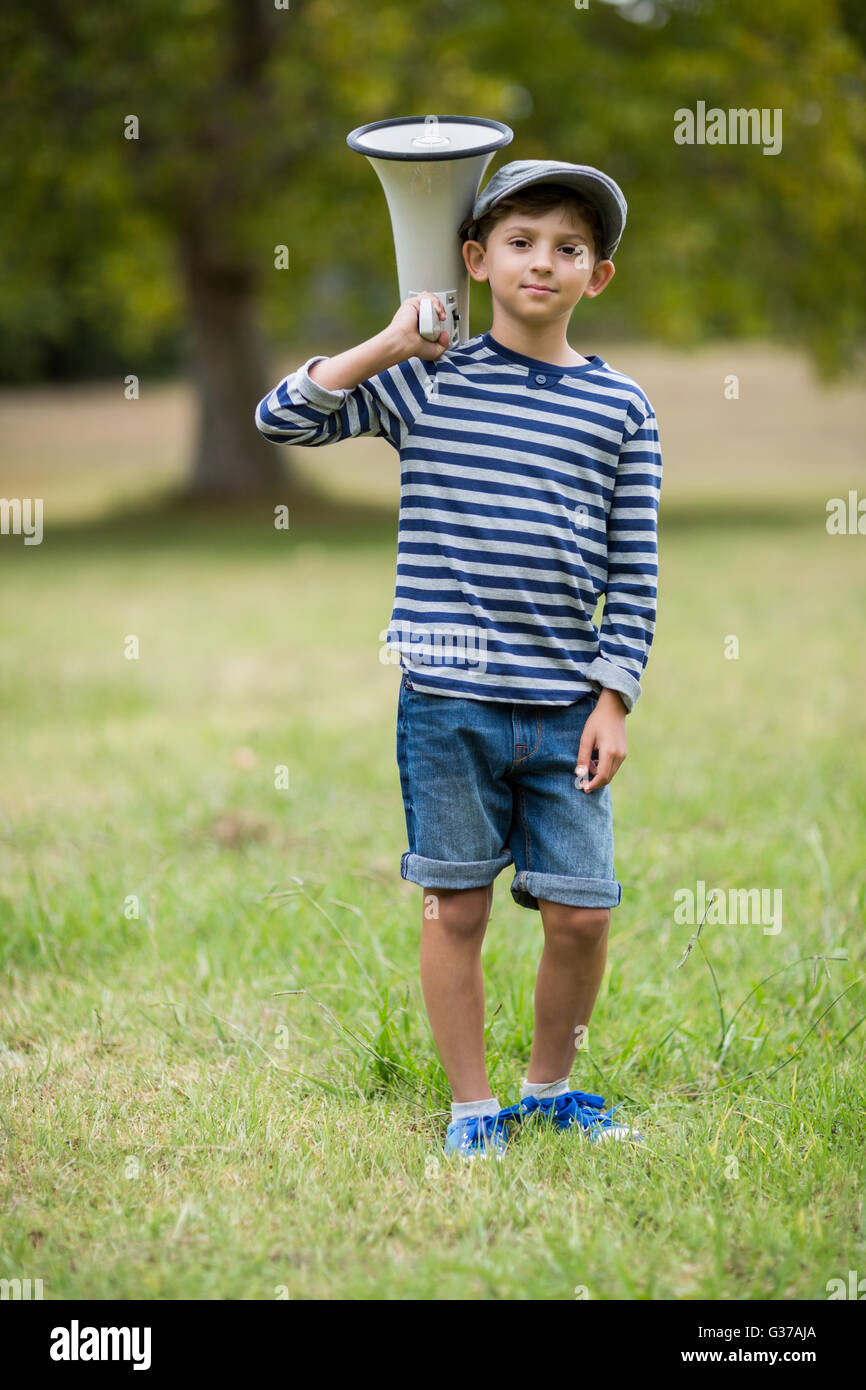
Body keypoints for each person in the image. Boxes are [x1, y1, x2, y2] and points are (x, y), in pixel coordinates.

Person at [255, 160, 662, 1161]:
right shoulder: (425, 381)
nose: (543, 262)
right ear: (474, 260)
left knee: (577, 912)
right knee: (457, 904)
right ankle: (471, 1105)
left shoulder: (620, 407)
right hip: (445, 700)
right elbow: (282, 416)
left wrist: (613, 698)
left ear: (595, 276)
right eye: (520, 242)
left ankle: (547, 1087)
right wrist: (394, 338)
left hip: (566, 705)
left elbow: (635, 565)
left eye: (569, 247)